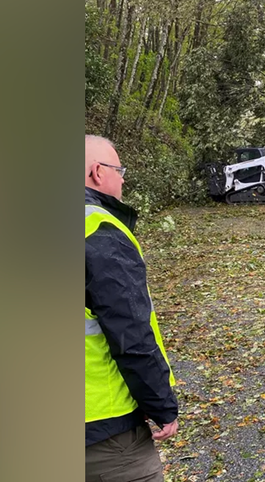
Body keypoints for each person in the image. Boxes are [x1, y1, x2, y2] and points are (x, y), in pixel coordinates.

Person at [85, 135, 179, 482]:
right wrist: (162, 405)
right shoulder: (98, 228)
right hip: (102, 428)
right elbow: (130, 333)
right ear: (97, 172)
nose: (122, 178)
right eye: (118, 169)